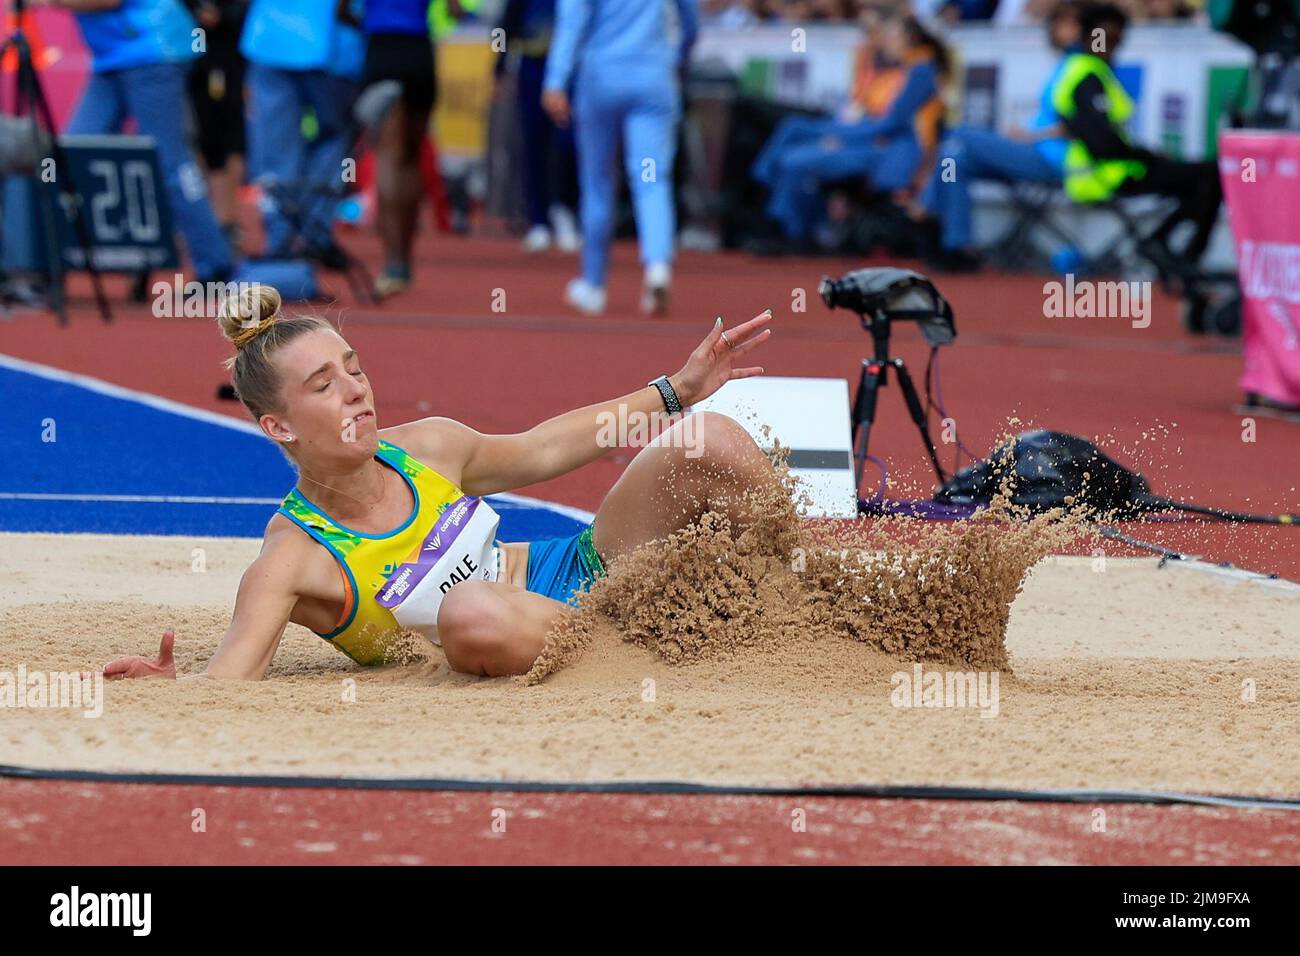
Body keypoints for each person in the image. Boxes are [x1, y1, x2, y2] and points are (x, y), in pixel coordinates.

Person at [96, 286, 775, 681]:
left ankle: (808, 602)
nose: (356, 391)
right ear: (280, 428)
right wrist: (176, 688)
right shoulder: (293, 559)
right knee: (469, 612)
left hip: (584, 570)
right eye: (324, 385)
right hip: (520, 636)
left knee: (706, 439)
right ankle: (648, 653)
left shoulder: (426, 447)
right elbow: (228, 681)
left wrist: (676, 391)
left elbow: (544, 448)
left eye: (354, 369)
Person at [48, 0, 235, 282]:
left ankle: (215, 263)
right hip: (110, 58)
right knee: (71, 154)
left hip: (154, 51)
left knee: (168, 160)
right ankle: (49, 261)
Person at [542, 0, 700, 317]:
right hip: (652, 75)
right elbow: (690, 18)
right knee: (651, 179)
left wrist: (556, 80)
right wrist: (677, 55)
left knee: (598, 181)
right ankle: (657, 266)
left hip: (601, 75)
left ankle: (594, 284)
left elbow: (571, 22)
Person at [751, 14, 949, 250]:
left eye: (890, 35)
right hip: (870, 140)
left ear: (910, 39)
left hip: (888, 150)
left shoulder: (920, 71)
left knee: (796, 159)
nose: (885, 40)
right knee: (794, 131)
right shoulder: (894, 68)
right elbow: (864, 112)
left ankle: (786, 224)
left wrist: (841, 137)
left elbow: (891, 123)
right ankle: (773, 205)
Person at [1056, 2, 1223, 272]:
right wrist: (1145, 156)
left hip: (1111, 170)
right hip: (1104, 176)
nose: (1110, 45)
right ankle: (1178, 251)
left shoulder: (1090, 72)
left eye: (1116, 39)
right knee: (1212, 175)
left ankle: (1167, 245)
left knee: (1204, 179)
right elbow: (1103, 144)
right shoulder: (1087, 76)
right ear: (1088, 36)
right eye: (1104, 37)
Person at [917, 0, 1081, 271]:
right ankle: (957, 244)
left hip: (1052, 159)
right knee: (954, 157)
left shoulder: (1082, 65)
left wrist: (1030, 136)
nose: (1059, 30)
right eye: (1057, 24)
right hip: (1039, 152)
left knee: (958, 133)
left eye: (1067, 24)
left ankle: (926, 208)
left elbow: (1081, 124)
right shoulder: (1067, 63)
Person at [239, 0, 363, 265]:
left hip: (267, 40)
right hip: (323, 50)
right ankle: (314, 233)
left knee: (277, 150)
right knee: (333, 140)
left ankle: (281, 239)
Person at [361, 0, 438, 299]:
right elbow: (455, 9)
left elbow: (342, 9)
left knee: (388, 158)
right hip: (419, 50)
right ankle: (405, 260)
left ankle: (393, 264)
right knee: (411, 157)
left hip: (382, 49)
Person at [494, 0, 580, 255]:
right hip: (533, 65)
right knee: (533, 143)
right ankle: (538, 220)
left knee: (569, 143)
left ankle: (564, 210)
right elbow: (506, 22)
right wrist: (498, 67)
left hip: (570, 67)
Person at [182, 0, 249, 251]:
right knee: (202, 144)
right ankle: (212, 223)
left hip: (223, 62)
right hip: (191, 63)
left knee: (222, 144)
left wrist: (222, 15)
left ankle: (224, 223)